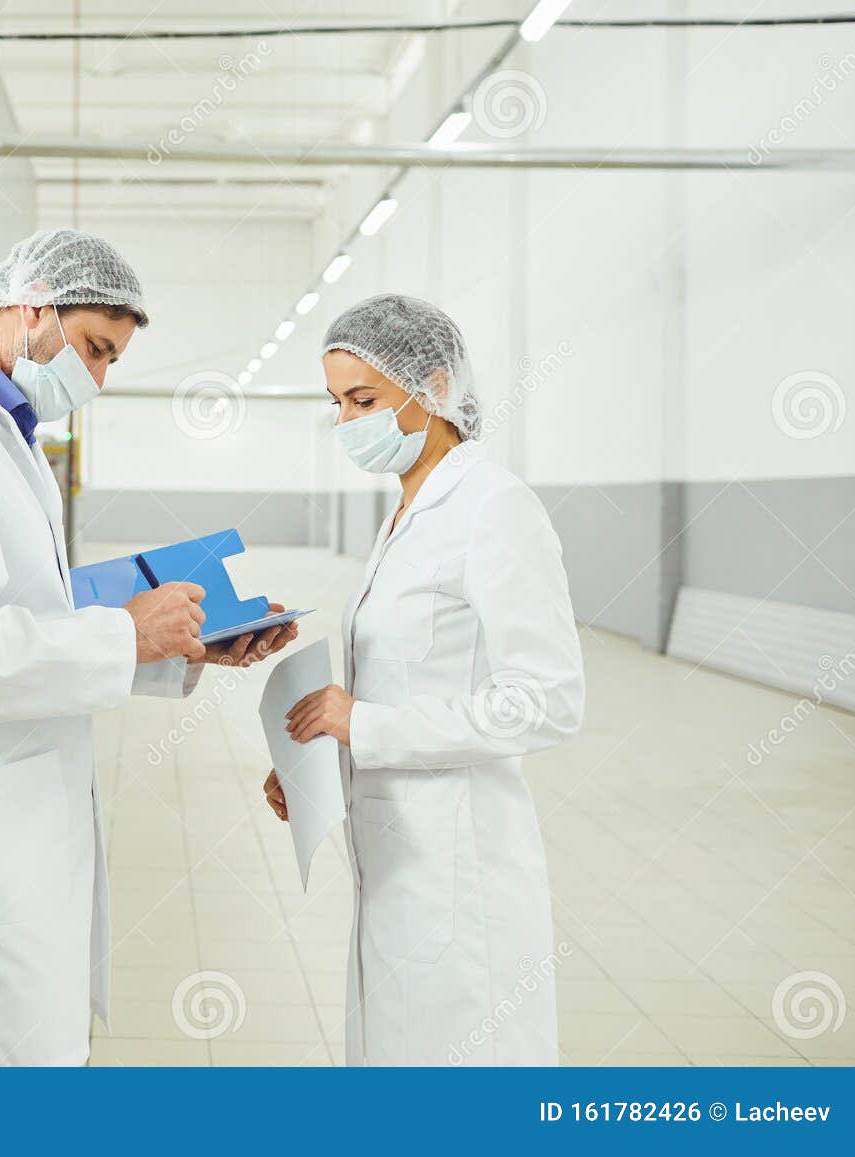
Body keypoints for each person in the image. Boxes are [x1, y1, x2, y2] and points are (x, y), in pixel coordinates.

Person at [0, 228, 295, 1066]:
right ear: (33, 306)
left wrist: (178, 643)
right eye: (94, 347)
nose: (99, 378)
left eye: (112, 358)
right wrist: (126, 632)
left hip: (11, 837)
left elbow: (31, 612)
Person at [264, 293, 583, 1065]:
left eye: (364, 399)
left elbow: (547, 699)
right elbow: (403, 681)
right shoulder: (407, 511)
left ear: (434, 386)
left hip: (460, 868)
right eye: (338, 403)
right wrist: (316, 762)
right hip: (394, 863)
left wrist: (363, 725)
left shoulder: (495, 507)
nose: (348, 421)